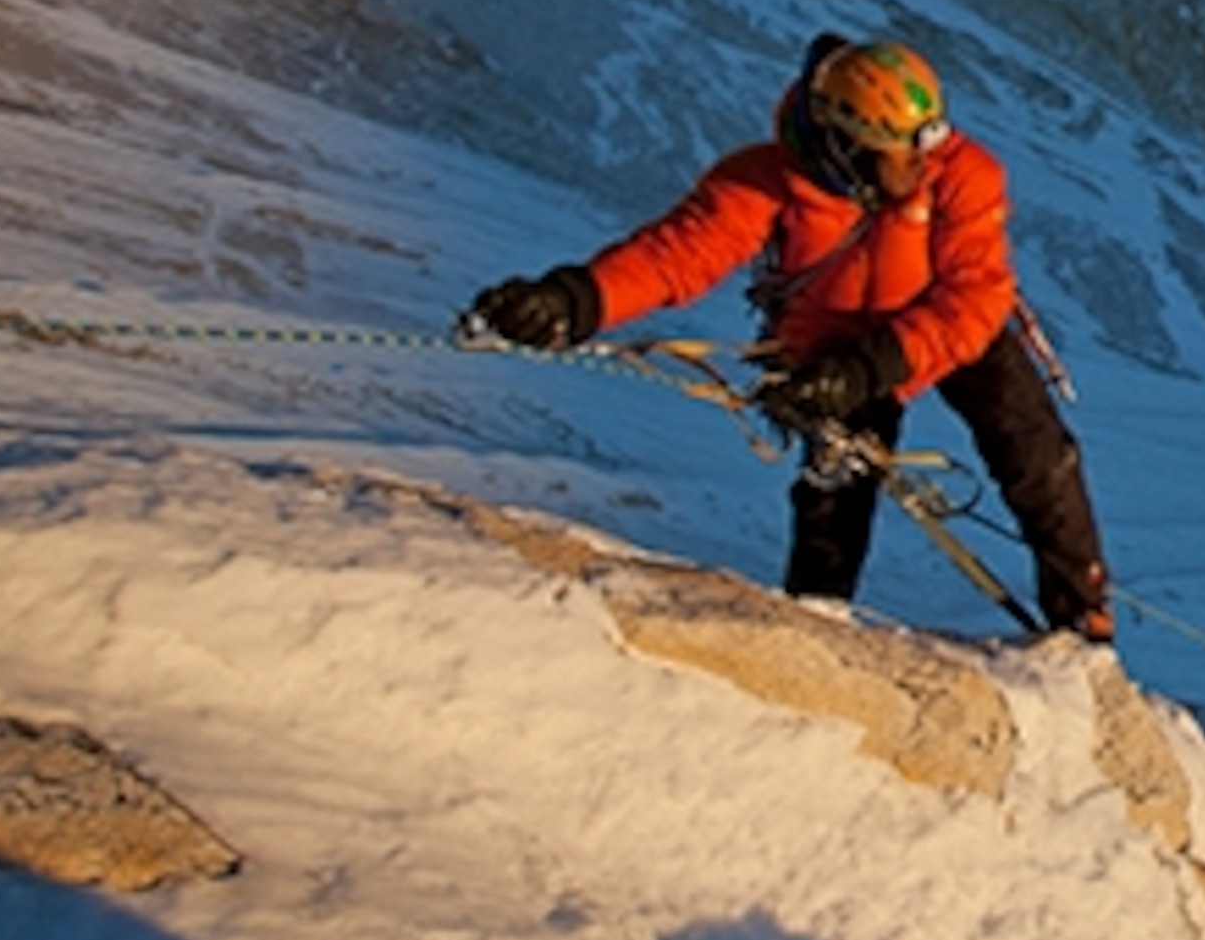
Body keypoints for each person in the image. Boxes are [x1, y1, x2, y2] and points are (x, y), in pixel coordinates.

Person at [468, 34, 1112, 639]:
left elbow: (977, 295)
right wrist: (573, 301)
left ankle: (1082, 622)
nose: (921, 164)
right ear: (846, 143)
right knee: (832, 500)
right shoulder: (769, 181)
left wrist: (876, 364)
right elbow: (677, 257)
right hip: (833, 350)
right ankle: (817, 627)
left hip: (943, 326)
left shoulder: (961, 173)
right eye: (900, 154)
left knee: (1037, 455)